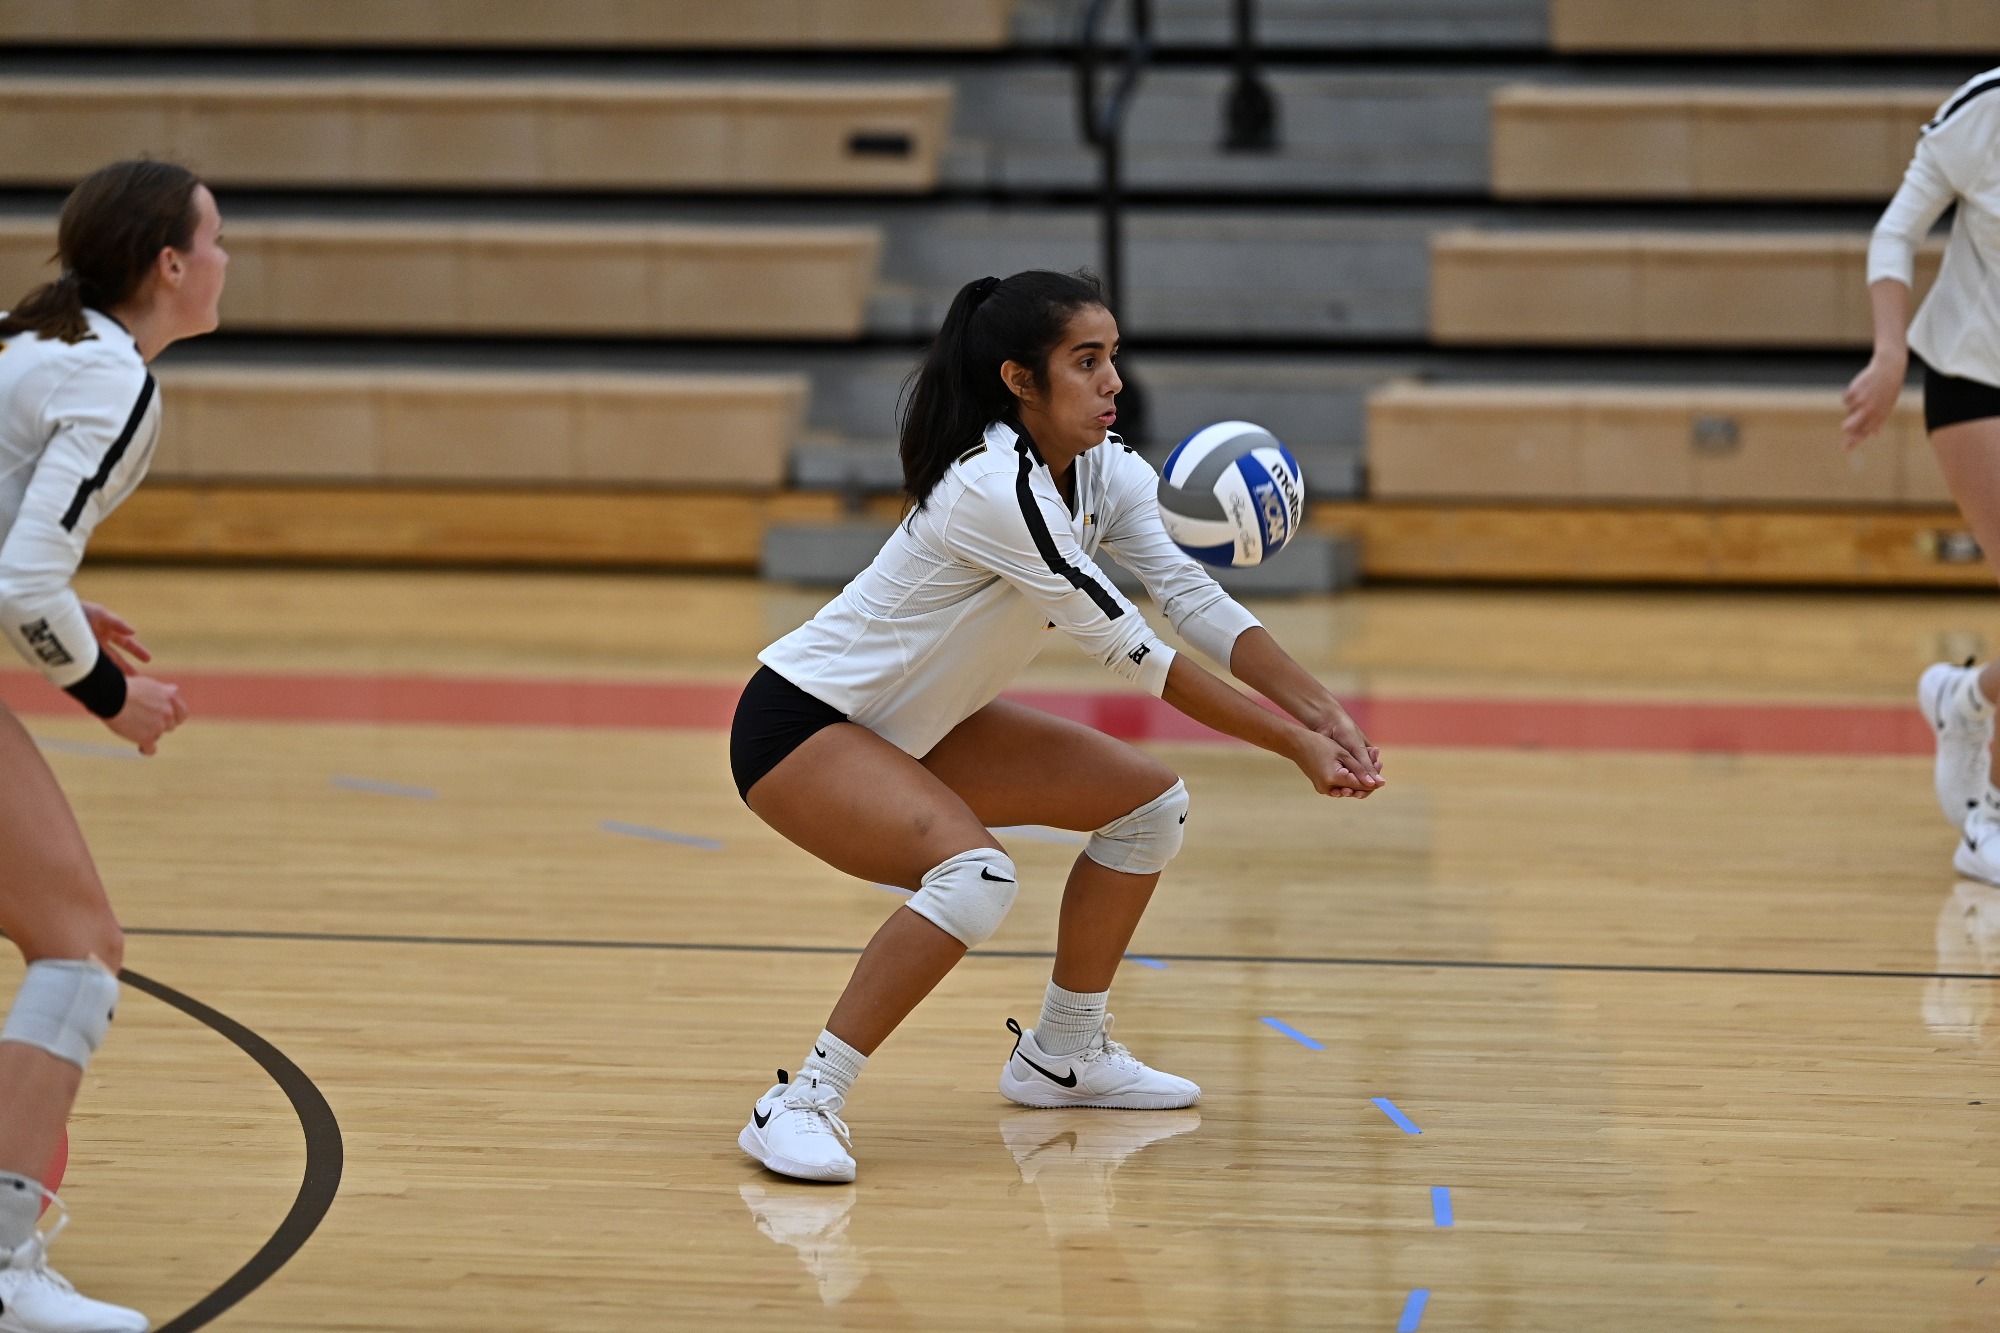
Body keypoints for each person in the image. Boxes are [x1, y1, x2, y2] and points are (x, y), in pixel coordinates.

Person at [730, 269, 1382, 1184]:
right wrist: (1293, 746)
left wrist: (1323, 709)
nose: (1113, 380)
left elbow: (1191, 595)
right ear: (1020, 380)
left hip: (921, 724)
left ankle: (1064, 1053)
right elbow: (1136, 653)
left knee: (1148, 808)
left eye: (1113, 355)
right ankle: (802, 1101)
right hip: (802, 726)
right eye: (1086, 361)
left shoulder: (1106, 469)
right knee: (975, 875)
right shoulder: (990, 487)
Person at [0, 158, 226, 1331]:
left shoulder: (34, 339)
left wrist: (57, 611)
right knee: (79, 949)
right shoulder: (110, 377)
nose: (227, 261)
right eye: (214, 240)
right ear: (170, 265)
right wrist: (106, 695)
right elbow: (21, 580)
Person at [1843, 68, 2000, 882]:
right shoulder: (1984, 111)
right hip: (1977, 382)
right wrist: (1889, 351)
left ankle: (1965, 700)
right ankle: (1988, 827)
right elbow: (1896, 231)